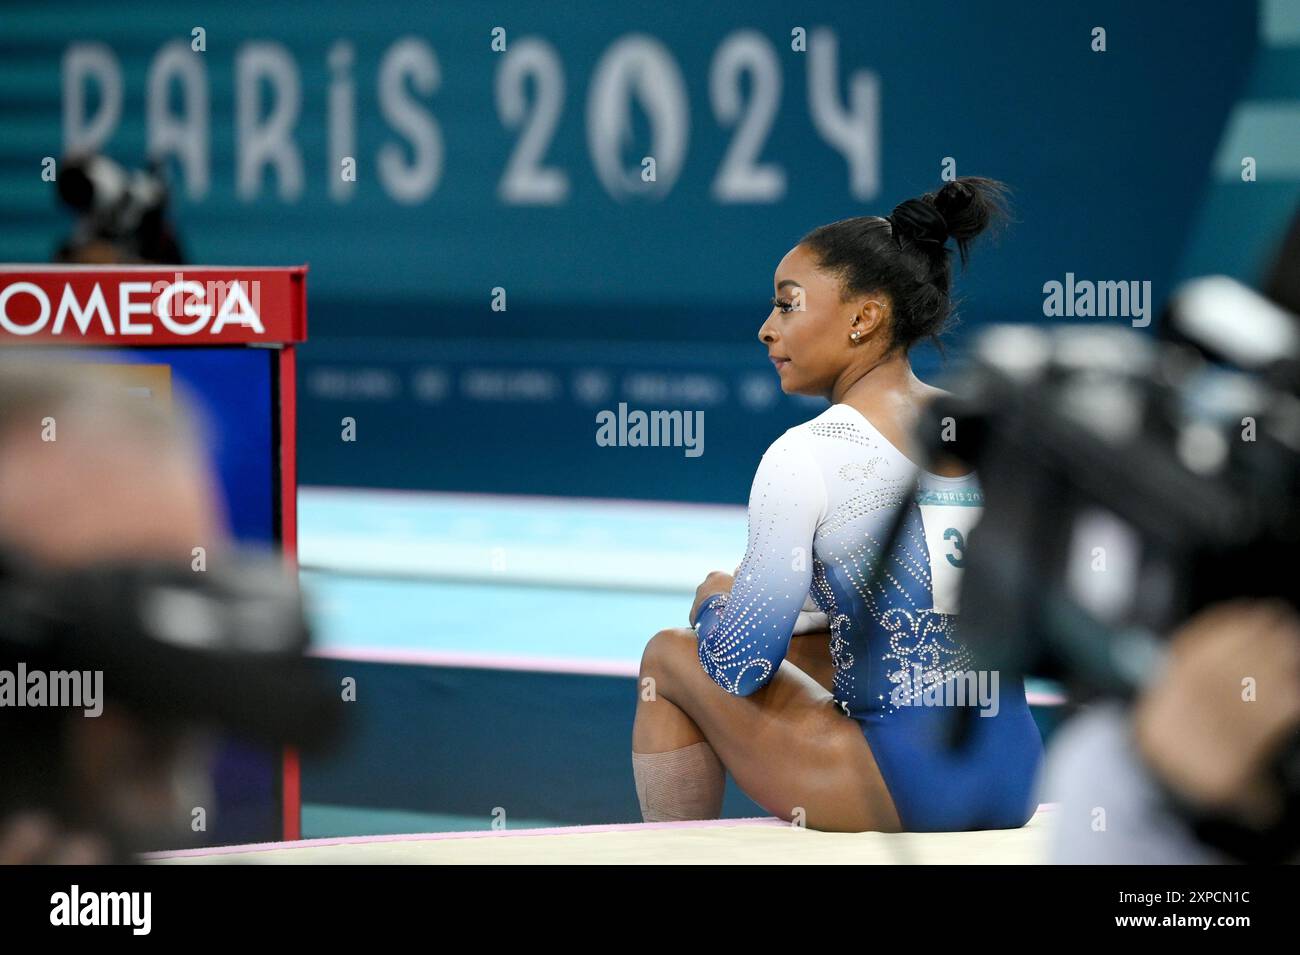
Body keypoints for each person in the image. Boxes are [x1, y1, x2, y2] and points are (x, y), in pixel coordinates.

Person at [631, 178, 1043, 832]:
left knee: (669, 656)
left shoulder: (804, 454)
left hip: (912, 784)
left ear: (864, 317)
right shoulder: (984, 428)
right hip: (1016, 771)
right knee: (831, 643)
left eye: (788, 306)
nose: (767, 329)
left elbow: (740, 664)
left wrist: (716, 601)